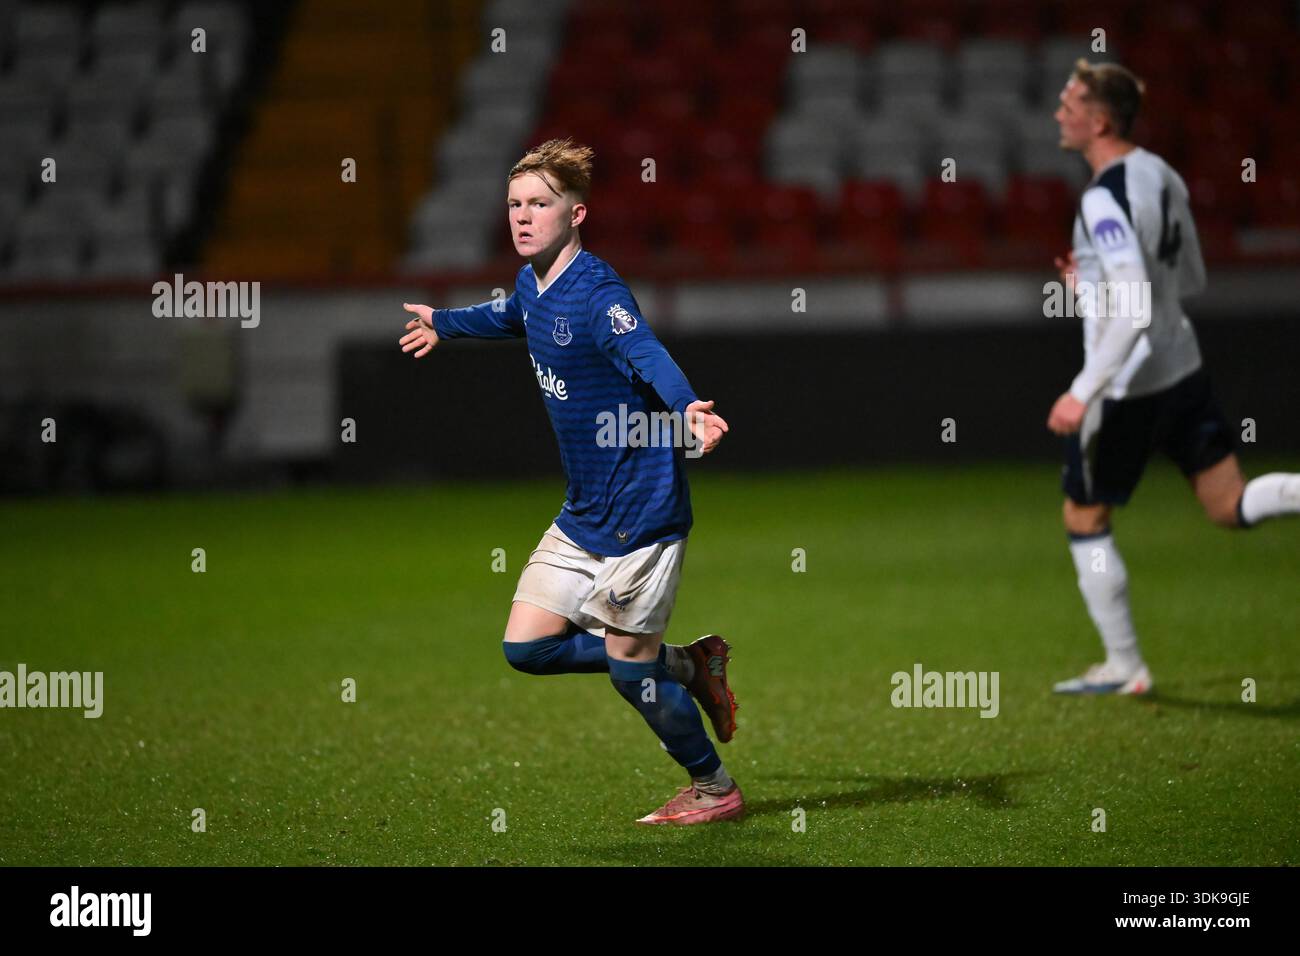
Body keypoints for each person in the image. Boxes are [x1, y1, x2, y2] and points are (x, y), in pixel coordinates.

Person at [398, 138, 743, 823]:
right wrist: (444, 323)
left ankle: (715, 788)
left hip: (642, 514)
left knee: (626, 672)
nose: (523, 217)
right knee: (527, 648)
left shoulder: (598, 295)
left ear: (576, 213)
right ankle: (687, 666)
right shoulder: (533, 285)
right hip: (585, 512)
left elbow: (643, 348)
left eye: (540, 205)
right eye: (514, 205)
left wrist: (687, 407)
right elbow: (507, 317)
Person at [1047, 60, 1299, 694]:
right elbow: (1190, 281)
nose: (1059, 111)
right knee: (1228, 504)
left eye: (1071, 102)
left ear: (1099, 120)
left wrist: (1083, 390)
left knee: (1084, 516)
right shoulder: (1162, 173)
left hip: (1127, 386)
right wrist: (1091, 286)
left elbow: (1131, 306)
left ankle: (1126, 665)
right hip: (1182, 366)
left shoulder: (1104, 196)